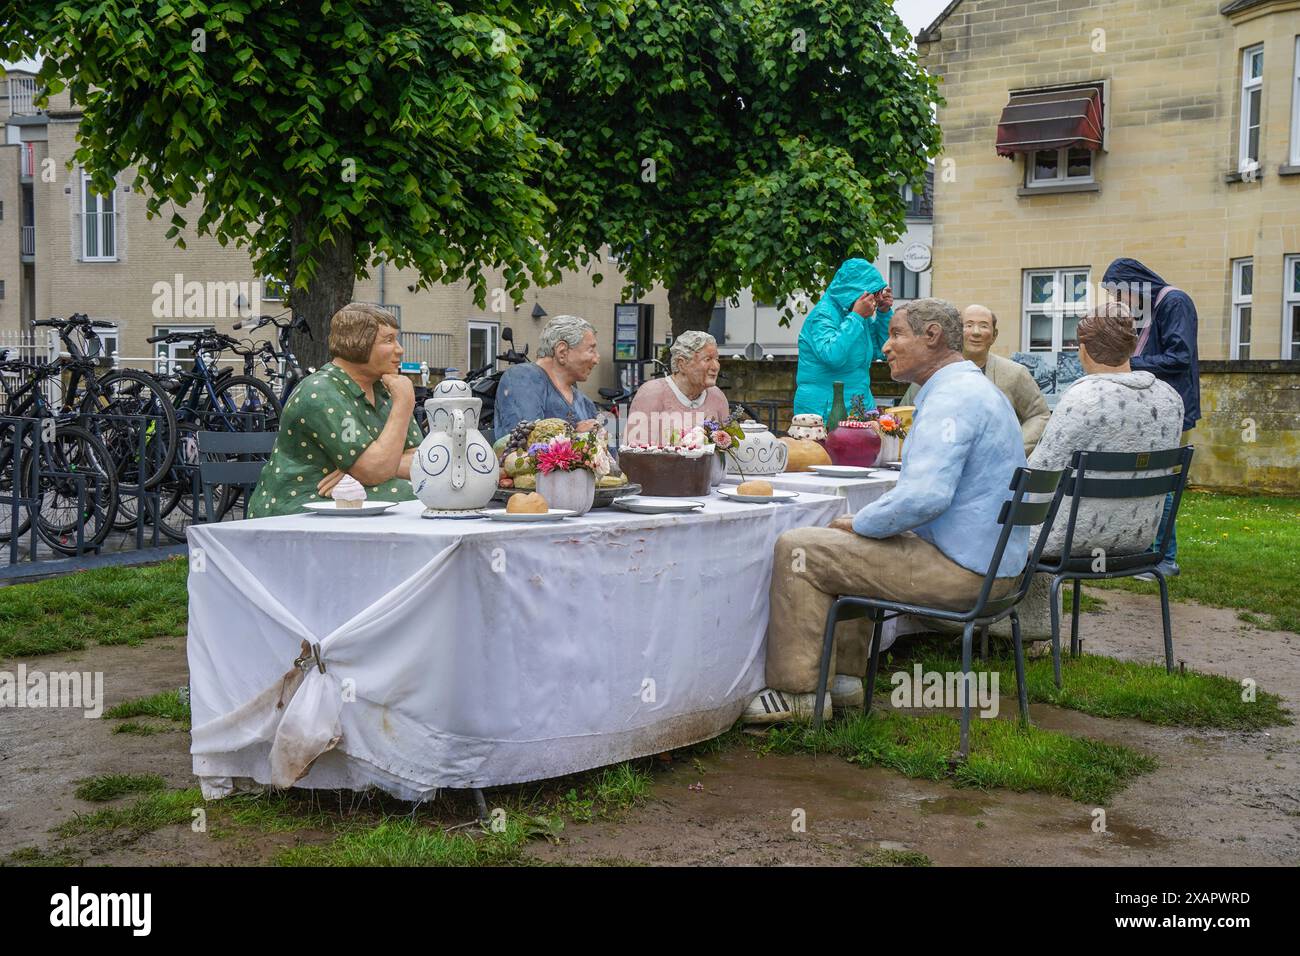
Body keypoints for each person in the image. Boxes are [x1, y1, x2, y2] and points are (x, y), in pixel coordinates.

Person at [746, 298, 1027, 724]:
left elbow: (925, 497)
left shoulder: (951, 398)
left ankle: (798, 694)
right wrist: (865, 528)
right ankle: (843, 681)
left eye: (896, 334)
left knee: (797, 550)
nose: (886, 347)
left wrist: (862, 521)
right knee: (852, 544)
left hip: (966, 575)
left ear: (931, 336)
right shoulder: (975, 389)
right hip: (997, 569)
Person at [1027, 302, 1184, 559]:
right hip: (1137, 537)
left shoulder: (1081, 399)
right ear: (1132, 348)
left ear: (1083, 350)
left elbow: (1040, 475)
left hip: (1067, 539)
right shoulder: (1171, 399)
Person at [249, 303, 423, 518]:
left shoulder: (386, 390)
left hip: (350, 497)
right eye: (388, 340)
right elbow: (375, 470)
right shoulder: (321, 391)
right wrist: (404, 404)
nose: (399, 349)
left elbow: (421, 463)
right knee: (417, 494)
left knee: (427, 492)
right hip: (300, 506)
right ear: (357, 342)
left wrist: (358, 472)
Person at [1101, 258, 1201, 578]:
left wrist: (1129, 363)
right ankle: (1147, 551)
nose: (1118, 303)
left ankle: (1165, 558)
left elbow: (1179, 356)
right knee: (1148, 480)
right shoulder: (1149, 309)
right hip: (1153, 409)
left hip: (1173, 409)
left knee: (1162, 482)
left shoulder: (1175, 302)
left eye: (1119, 295)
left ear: (1135, 285)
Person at [899, 304, 1051, 455]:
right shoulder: (930, 374)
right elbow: (902, 416)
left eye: (984, 326)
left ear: (994, 335)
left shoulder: (1015, 374)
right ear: (957, 333)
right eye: (968, 325)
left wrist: (1011, 449)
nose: (976, 332)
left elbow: (1039, 416)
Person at [793, 259, 893, 418]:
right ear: (856, 292)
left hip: (859, 406)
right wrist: (856, 317)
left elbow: (881, 349)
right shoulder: (823, 315)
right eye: (872, 294)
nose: (874, 300)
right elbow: (832, 356)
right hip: (824, 412)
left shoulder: (855, 314)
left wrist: (884, 312)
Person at [494, 314, 600, 439]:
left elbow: (611, 450)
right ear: (562, 351)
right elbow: (523, 443)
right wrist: (577, 436)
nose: (596, 359)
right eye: (591, 350)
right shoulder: (523, 378)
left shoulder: (585, 403)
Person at [626, 330, 729, 445]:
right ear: (682, 364)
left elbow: (727, 449)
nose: (715, 366)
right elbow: (634, 453)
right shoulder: (651, 393)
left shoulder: (717, 397)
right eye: (708, 359)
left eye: (717, 359)